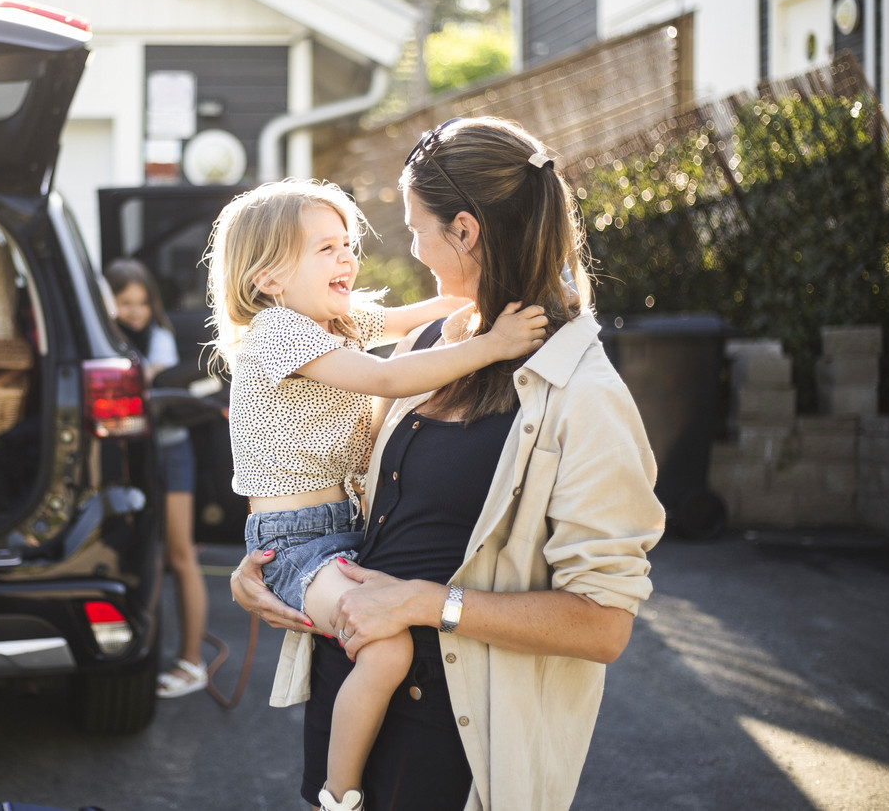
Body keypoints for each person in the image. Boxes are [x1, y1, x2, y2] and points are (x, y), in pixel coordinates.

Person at [230, 120, 665, 811]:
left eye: (415, 229)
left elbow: (603, 625)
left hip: (455, 741)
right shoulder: (433, 343)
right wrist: (271, 571)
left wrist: (431, 604)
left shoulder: (583, 394)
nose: (409, 249)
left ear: (463, 231)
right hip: (353, 685)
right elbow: (344, 487)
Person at [205, 179, 548, 811]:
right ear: (268, 280)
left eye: (346, 244)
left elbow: (401, 319)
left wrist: (471, 301)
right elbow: (387, 374)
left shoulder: (328, 319)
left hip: (339, 529)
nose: (346, 260)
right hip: (296, 543)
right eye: (324, 249)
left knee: (382, 645)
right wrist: (493, 345)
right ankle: (340, 793)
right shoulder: (278, 330)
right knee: (387, 649)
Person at [104, 257, 211, 699]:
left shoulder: (160, 338)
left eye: (141, 303)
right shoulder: (103, 337)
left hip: (168, 453)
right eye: (123, 302)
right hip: (124, 460)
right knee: (136, 558)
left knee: (179, 554)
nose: (134, 312)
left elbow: (150, 380)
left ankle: (191, 661)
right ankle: (133, 656)